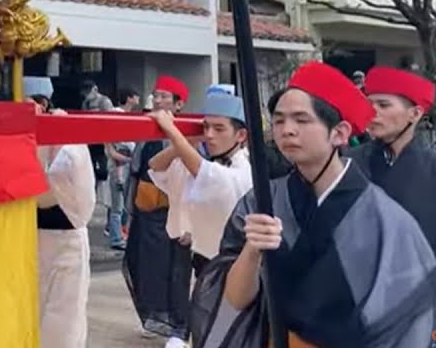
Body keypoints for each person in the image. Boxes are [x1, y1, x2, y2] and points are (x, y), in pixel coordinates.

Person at [192, 61, 436, 347]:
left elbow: (407, 312)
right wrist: (252, 251)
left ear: (340, 133)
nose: (287, 130)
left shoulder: (386, 219)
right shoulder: (260, 200)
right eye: (279, 120)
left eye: (302, 120)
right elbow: (234, 299)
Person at [147, 88, 252, 281]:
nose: (210, 135)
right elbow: (156, 166)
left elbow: (203, 172)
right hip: (205, 261)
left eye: (219, 129)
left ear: (241, 135)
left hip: (234, 265)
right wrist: (188, 140)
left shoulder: (243, 172)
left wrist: (171, 129)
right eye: (206, 127)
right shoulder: (212, 165)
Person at [123, 75, 192, 344]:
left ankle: (180, 325)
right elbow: (136, 171)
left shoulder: (185, 133)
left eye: (165, 97)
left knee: (175, 271)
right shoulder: (145, 128)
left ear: (179, 104)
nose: (159, 100)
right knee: (143, 266)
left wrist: (188, 221)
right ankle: (156, 318)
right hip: (145, 210)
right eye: (156, 95)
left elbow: (189, 178)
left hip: (170, 211)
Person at [27, 77, 95, 348]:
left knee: (63, 321)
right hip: (34, 238)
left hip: (66, 238)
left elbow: (67, 186)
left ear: (42, 104)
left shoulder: (67, 138)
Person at [345, 66, 436, 251]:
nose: (372, 112)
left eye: (383, 105)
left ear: (415, 114)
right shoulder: (347, 162)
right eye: (368, 104)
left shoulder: (431, 167)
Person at [104, 88, 139, 250]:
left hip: (123, 165)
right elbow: (112, 150)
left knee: (122, 205)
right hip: (119, 167)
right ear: (129, 98)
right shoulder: (116, 116)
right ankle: (117, 238)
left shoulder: (124, 116)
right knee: (118, 206)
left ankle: (121, 234)